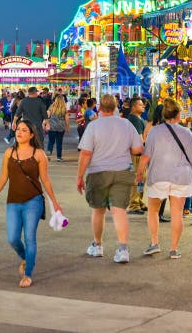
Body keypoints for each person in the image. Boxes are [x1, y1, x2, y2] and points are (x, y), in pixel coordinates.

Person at [0, 118, 63, 288]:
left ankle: (28, 273)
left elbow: (46, 180)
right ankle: (26, 257)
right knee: (13, 238)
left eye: (24, 130)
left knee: (30, 238)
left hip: (33, 201)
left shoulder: (39, 154)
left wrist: (55, 202)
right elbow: (3, 177)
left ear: (31, 135)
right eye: (18, 129)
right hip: (13, 201)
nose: (19, 132)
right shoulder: (9, 153)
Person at [76, 94, 143, 264]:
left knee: (98, 210)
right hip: (122, 170)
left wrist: (80, 177)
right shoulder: (126, 124)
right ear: (116, 107)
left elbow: (85, 153)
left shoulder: (93, 126)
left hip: (98, 172)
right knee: (119, 210)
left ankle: (97, 246)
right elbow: (137, 149)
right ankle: (122, 249)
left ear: (99, 108)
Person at [136, 98, 192, 259]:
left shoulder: (155, 132)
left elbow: (145, 156)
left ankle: (155, 243)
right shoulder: (187, 133)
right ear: (178, 115)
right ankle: (174, 249)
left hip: (158, 175)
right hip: (182, 176)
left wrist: (139, 174)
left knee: (153, 210)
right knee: (177, 213)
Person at [126, 96, 149, 215]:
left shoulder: (136, 118)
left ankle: (139, 201)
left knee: (142, 178)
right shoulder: (135, 119)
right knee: (138, 178)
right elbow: (140, 139)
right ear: (134, 107)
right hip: (136, 154)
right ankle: (134, 205)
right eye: (140, 105)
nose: (143, 106)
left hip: (138, 154)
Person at [46, 95, 69, 162]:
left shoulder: (51, 107)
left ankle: (49, 152)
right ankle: (59, 157)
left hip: (52, 126)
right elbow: (67, 119)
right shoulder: (64, 108)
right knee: (59, 142)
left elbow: (47, 115)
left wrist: (45, 124)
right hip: (60, 127)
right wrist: (67, 128)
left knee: (51, 141)